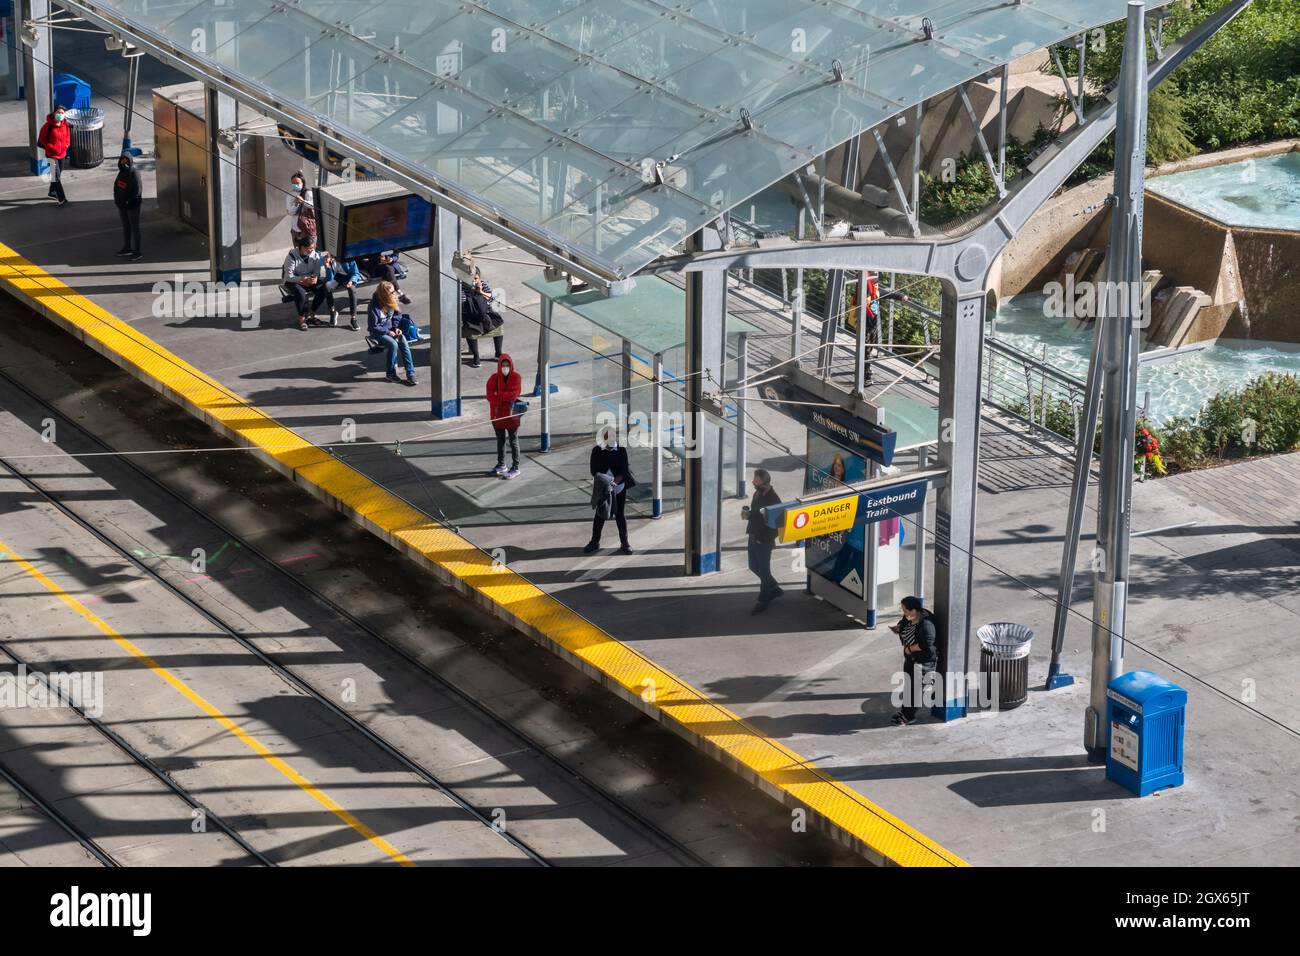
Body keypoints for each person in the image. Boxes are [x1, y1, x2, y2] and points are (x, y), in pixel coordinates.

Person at [584, 426, 634, 555]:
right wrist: (606, 482)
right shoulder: (597, 450)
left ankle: (625, 543)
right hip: (603, 487)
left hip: (618, 488)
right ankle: (594, 542)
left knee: (620, 515)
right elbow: (594, 471)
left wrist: (614, 482)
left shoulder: (621, 450)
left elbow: (624, 471)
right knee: (600, 515)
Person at [890, 596, 937, 725]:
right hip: (912, 659)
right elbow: (904, 621)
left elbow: (926, 645)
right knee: (910, 686)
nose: (903, 613)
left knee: (914, 690)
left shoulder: (927, 625)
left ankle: (908, 716)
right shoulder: (910, 616)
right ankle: (906, 713)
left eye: (905, 610)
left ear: (914, 610)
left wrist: (909, 650)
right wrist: (899, 627)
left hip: (922, 661)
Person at [742, 468, 782, 613]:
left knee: (764, 571)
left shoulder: (773, 499)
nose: (753, 482)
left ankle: (763, 600)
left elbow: (775, 521)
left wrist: (766, 538)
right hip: (753, 535)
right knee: (753, 566)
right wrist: (749, 515)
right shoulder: (757, 494)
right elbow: (756, 514)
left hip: (763, 540)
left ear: (764, 481)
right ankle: (774, 587)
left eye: (756, 480)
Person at [367, 281, 416, 386]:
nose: (394, 294)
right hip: (377, 332)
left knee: (403, 341)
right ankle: (390, 373)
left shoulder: (392, 300)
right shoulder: (373, 306)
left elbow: (397, 316)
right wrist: (388, 332)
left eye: (394, 291)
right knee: (393, 344)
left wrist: (396, 328)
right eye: (392, 292)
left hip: (390, 329)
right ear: (384, 294)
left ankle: (410, 373)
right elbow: (374, 326)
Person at [485, 353, 522, 479]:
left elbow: (514, 394)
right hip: (497, 416)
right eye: (503, 365)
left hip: (511, 416)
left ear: (511, 365)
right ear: (499, 366)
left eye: (507, 365)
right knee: (500, 441)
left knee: (513, 441)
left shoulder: (516, 377)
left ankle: (515, 467)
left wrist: (498, 395)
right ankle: (501, 465)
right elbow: (490, 396)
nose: (505, 368)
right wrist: (504, 396)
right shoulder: (493, 378)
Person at [461, 267, 504, 368]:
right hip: (470, 315)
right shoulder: (461, 287)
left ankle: (498, 352)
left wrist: (480, 292)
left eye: (476, 278)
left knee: (498, 324)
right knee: (470, 331)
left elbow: (491, 298)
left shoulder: (482, 284)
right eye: (471, 278)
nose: (474, 281)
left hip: (484, 313)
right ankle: (476, 356)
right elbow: (464, 304)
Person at [282, 237, 328, 331]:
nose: (312, 250)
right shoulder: (291, 256)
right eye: (309, 249)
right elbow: (288, 276)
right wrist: (303, 279)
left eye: (313, 248)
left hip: (308, 279)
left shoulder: (315, 255)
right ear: (302, 247)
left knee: (323, 288)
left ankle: (312, 314)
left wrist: (314, 278)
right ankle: (302, 318)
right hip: (292, 280)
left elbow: (316, 271)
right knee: (301, 293)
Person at [37, 105, 71, 206]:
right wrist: (51, 147)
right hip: (52, 155)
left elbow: (68, 136)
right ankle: (62, 198)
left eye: (62, 113)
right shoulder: (47, 126)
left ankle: (52, 192)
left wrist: (66, 145)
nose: (60, 115)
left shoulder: (66, 125)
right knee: (56, 177)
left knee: (57, 175)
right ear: (54, 113)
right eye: (58, 112)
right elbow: (42, 140)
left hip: (62, 154)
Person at [112, 152, 143, 260]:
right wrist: (117, 200)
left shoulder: (135, 174)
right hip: (122, 206)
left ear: (130, 161)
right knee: (126, 227)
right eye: (122, 160)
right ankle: (127, 247)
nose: (124, 162)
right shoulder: (121, 173)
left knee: (135, 227)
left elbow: (137, 191)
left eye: (126, 160)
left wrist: (128, 202)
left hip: (132, 206)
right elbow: (116, 187)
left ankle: (137, 251)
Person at [322, 251, 361, 330]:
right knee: (327, 286)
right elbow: (329, 278)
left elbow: (356, 273)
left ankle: (353, 318)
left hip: (348, 277)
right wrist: (328, 267)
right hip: (337, 277)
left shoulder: (348, 257)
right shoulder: (329, 260)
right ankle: (332, 312)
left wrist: (351, 281)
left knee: (352, 289)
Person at [286, 172, 316, 246]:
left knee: (308, 250)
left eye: (297, 183)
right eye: (293, 183)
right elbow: (290, 212)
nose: (295, 185)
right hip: (295, 229)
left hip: (307, 228)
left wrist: (303, 201)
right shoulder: (290, 195)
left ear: (303, 183)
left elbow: (314, 205)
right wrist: (296, 204)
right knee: (297, 251)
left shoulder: (308, 193)